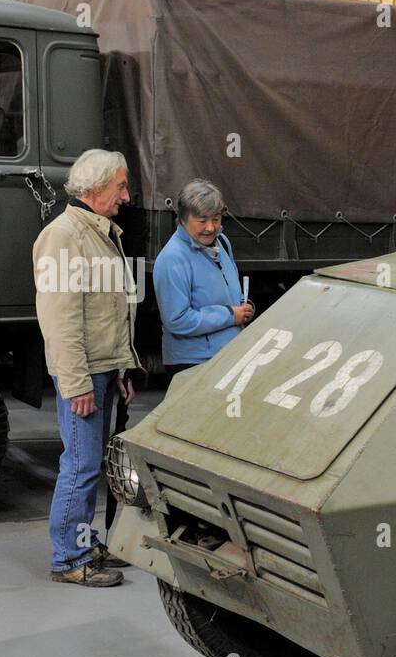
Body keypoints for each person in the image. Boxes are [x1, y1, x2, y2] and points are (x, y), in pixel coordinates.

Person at [33, 148, 139, 587]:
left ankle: (82, 541)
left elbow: (107, 312)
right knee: (81, 465)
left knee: (91, 464)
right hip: (83, 374)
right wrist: (76, 383)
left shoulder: (98, 232)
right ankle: (69, 558)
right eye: (121, 186)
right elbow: (60, 319)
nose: (127, 196)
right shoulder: (65, 235)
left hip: (102, 369)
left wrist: (122, 369)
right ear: (95, 189)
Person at [153, 179, 253, 376]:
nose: (210, 227)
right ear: (182, 219)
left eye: (216, 219)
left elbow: (227, 292)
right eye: (202, 220)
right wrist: (231, 315)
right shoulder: (172, 258)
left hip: (225, 356)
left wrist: (243, 306)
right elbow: (177, 320)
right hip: (193, 363)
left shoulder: (222, 242)